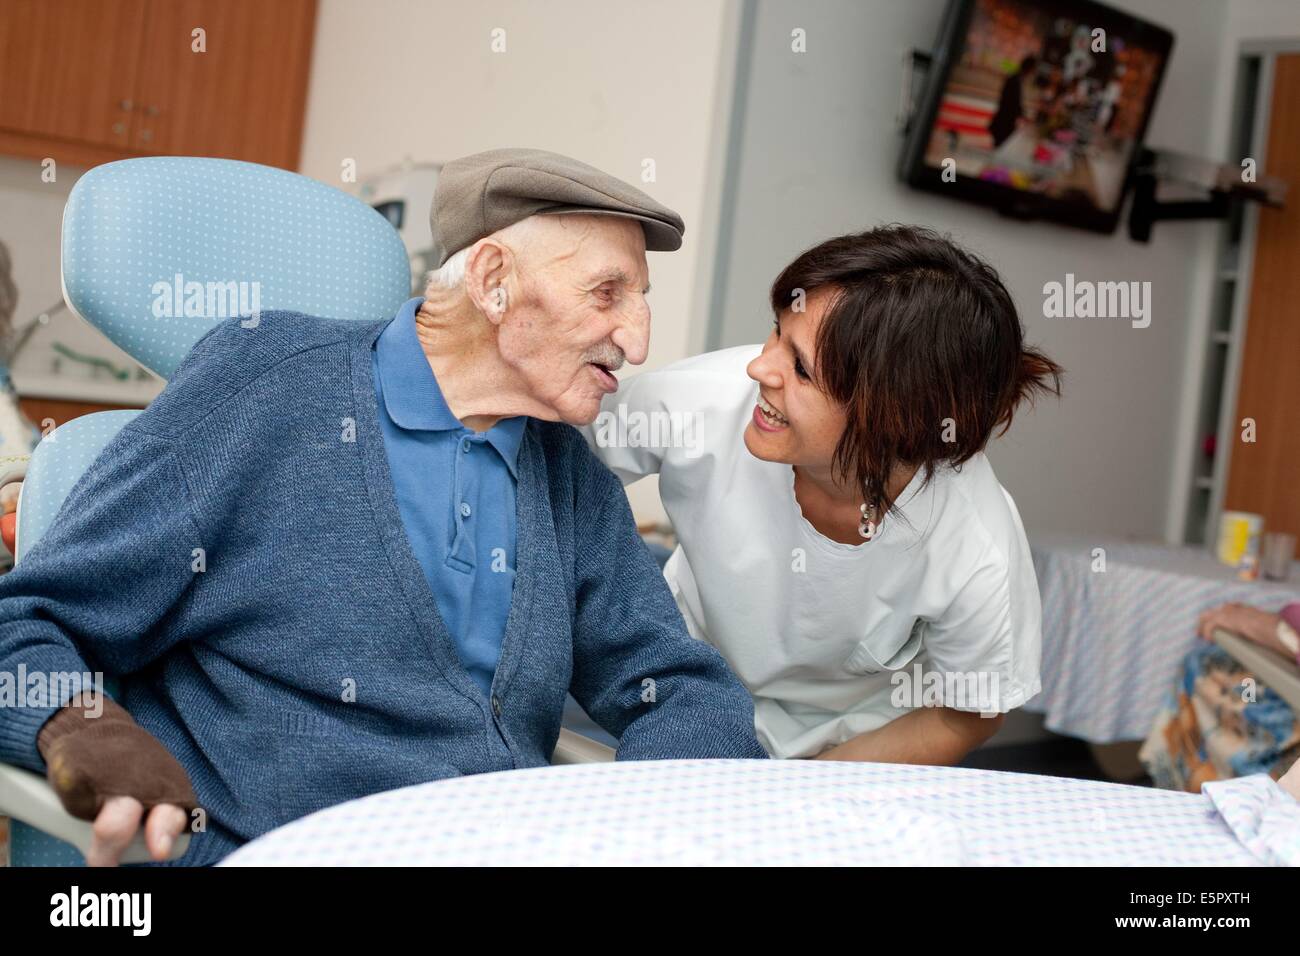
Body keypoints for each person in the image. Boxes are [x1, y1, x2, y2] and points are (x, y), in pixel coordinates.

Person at [0, 148, 767, 866]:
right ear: (494, 280)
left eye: (641, 302)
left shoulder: (566, 473)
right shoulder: (267, 385)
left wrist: (658, 818)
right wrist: (80, 723)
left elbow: (677, 686)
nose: (636, 342)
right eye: (608, 294)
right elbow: (29, 624)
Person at [588, 225, 1060, 762]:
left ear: (893, 418)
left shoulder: (975, 544)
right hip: (681, 688)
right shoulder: (697, 402)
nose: (758, 367)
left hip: (849, 743)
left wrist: (814, 787)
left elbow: (968, 713)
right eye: (775, 334)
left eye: (802, 369)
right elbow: (538, 455)